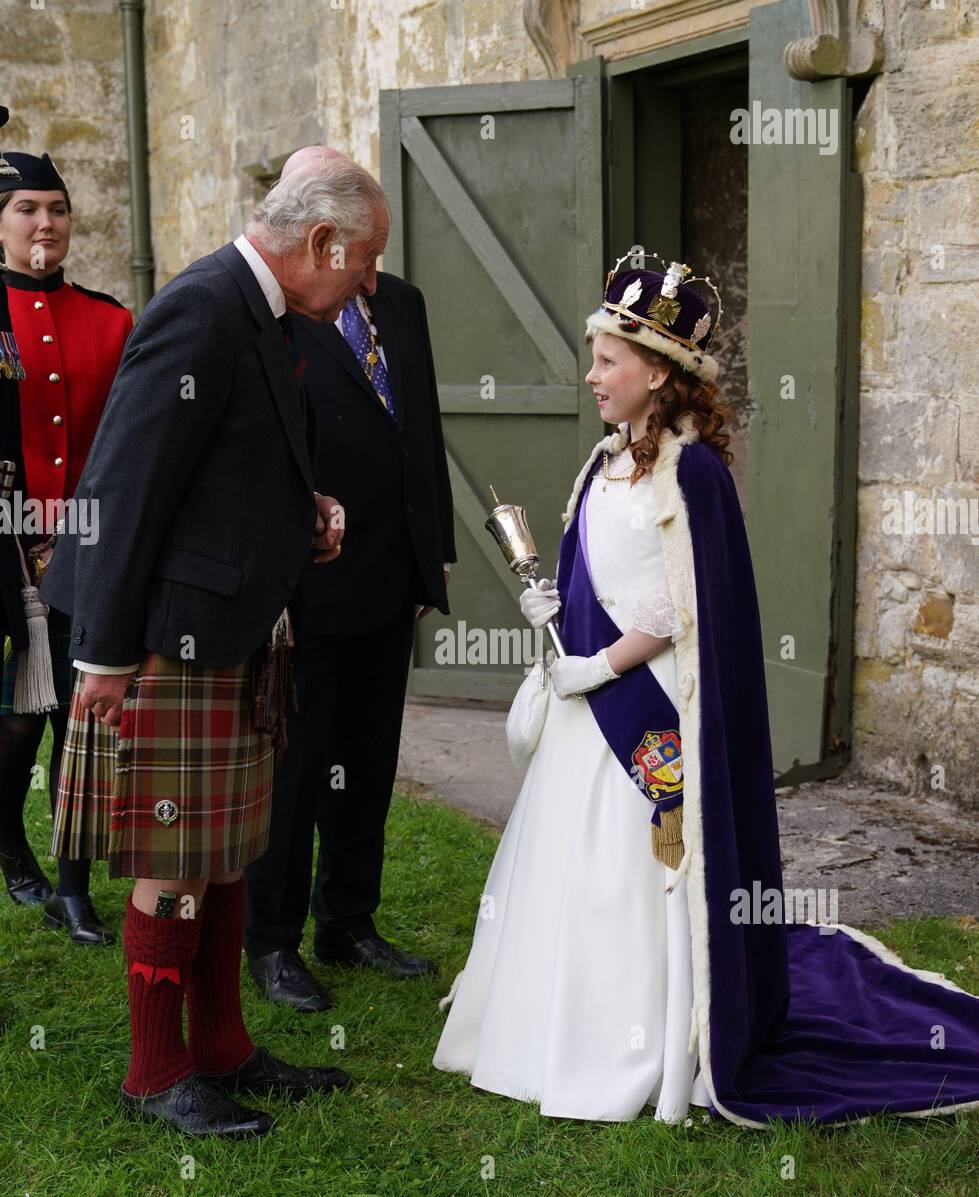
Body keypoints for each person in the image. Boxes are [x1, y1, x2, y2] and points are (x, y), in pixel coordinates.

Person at [434, 253, 979, 1127]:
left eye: (607, 359)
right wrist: (555, 602)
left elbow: (689, 607)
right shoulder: (600, 463)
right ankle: (547, 1028)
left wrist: (600, 665)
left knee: (636, 877)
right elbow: (594, 572)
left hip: (647, 703)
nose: (593, 375)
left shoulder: (692, 474)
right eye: (595, 356)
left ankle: (643, 1042)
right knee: (569, 870)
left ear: (657, 373)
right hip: (589, 711)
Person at [37, 158, 393, 1138]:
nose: (367, 281)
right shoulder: (203, 308)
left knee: (227, 854)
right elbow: (121, 486)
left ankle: (224, 1047)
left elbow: (230, 467)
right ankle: (157, 1073)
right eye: (363, 261)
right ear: (320, 244)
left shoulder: (265, 313)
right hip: (167, 639)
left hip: (230, 626)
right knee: (175, 860)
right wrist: (103, 652)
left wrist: (304, 512)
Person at [244, 148, 454, 1011]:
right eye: (359, 245)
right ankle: (272, 939)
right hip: (309, 583)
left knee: (366, 761)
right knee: (295, 769)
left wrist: (428, 552)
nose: (369, 263)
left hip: (389, 576)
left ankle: (349, 918)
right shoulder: (274, 314)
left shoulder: (400, 304)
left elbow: (420, 433)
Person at [0, 143, 130, 944]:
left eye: (57, 209)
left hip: (95, 553)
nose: (45, 223)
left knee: (85, 718)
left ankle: (73, 881)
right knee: (18, 719)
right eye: (25, 210)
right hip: (7, 556)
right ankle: (14, 850)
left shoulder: (110, 318)